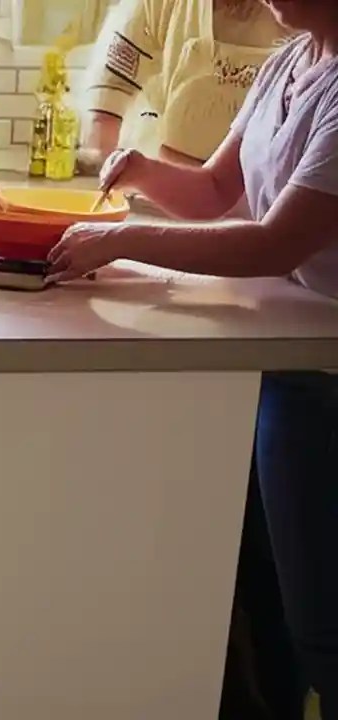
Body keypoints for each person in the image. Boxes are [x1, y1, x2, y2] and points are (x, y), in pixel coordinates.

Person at [49, 0, 338, 714]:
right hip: (275, 350)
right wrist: (142, 171)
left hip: (325, 374)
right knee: (259, 600)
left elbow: (273, 241)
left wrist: (122, 242)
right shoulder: (288, 63)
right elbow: (215, 191)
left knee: (320, 625)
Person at [80, 0, 291, 169]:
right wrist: (103, 164)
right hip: (170, 184)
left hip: (266, 193)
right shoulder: (161, 6)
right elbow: (110, 90)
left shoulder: (303, 18)